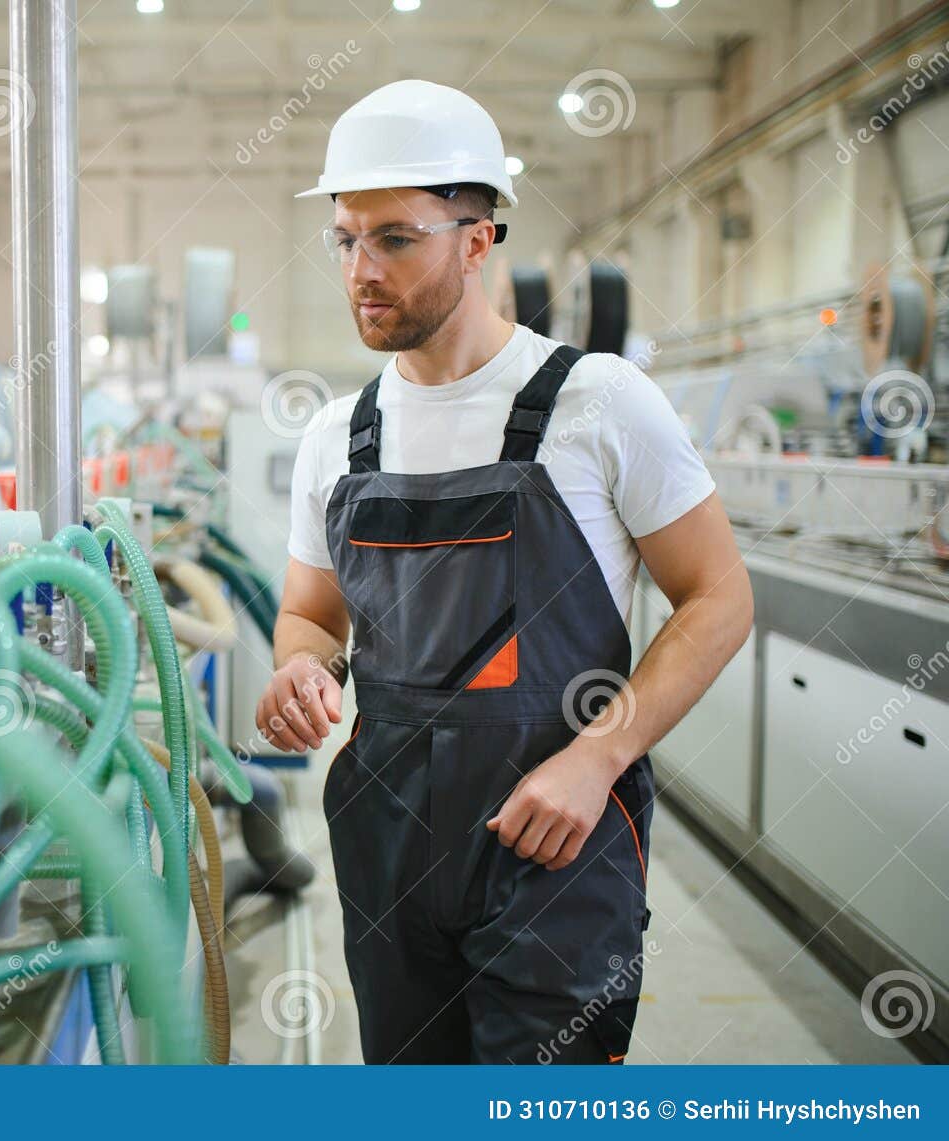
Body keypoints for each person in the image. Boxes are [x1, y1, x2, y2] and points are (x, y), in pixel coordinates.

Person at [257, 79, 753, 1064]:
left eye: (395, 238)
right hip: (385, 839)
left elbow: (719, 598)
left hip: (555, 841)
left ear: (476, 237)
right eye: (346, 238)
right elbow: (310, 613)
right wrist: (300, 669)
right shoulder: (337, 436)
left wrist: (597, 757)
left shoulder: (594, 403)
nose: (361, 268)